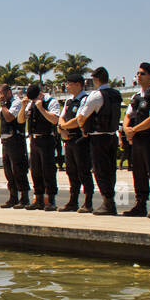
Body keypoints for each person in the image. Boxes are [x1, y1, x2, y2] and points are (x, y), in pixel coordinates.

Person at [75, 67, 121, 215]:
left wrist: (83, 128)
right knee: (111, 170)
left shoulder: (96, 95)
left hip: (98, 137)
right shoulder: (116, 94)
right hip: (112, 135)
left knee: (100, 171)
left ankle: (107, 202)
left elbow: (81, 117)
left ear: (96, 79)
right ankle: (109, 200)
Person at [122, 62, 150, 217]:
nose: (138, 76)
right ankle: (140, 203)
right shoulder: (136, 96)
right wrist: (127, 129)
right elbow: (128, 115)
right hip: (136, 140)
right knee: (138, 172)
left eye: (142, 73)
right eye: (138, 73)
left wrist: (133, 130)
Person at [58, 74, 93, 212]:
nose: (67, 86)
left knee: (83, 171)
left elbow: (79, 119)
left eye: (69, 83)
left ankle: (88, 201)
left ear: (78, 84)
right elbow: (61, 118)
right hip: (68, 140)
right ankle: (73, 200)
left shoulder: (85, 99)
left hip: (80, 140)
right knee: (71, 171)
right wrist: (62, 128)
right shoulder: (68, 101)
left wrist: (64, 127)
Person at [22, 82, 60, 210]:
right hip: (35, 140)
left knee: (48, 170)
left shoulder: (51, 102)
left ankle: (50, 199)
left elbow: (54, 120)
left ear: (40, 94)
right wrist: (24, 107)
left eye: (34, 98)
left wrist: (41, 108)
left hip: (47, 139)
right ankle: (38, 198)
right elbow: (21, 120)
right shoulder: (31, 104)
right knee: (35, 170)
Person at [0, 84, 28, 208]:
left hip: (15, 140)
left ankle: (24, 197)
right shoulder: (4, 105)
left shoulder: (16, 103)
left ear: (8, 92)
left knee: (18, 169)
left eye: (1, 93)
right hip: (6, 141)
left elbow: (9, 118)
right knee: (8, 171)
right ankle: (13, 197)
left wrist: (2, 104)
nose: (0, 96)